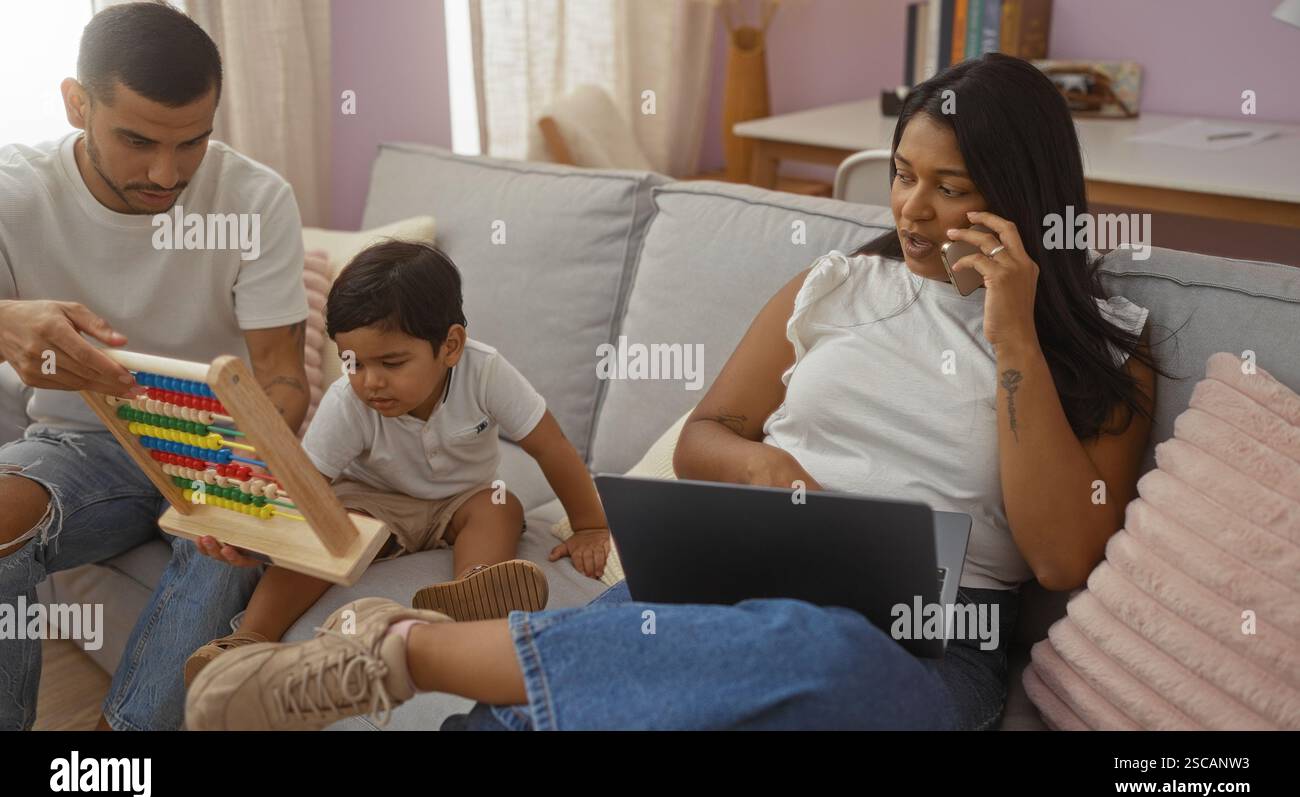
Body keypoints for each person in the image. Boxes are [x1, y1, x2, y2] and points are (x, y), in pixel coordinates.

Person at [185, 52, 1166, 731]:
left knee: (823, 655)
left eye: (950, 187)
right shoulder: (834, 286)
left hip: (927, 650)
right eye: (903, 175)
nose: (910, 209)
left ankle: (402, 652)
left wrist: (1011, 340)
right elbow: (706, 435)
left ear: (1022, 196)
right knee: (692, 643)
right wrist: (768, 466)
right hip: (747, 585)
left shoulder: (1104, 355)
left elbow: (1060, 551)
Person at [0, 2, 310, 731]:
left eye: (193, 142)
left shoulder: (258, 200)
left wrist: (254, 460)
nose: (166, 173)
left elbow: (284, 379)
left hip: (218, 448)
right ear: (78, 104)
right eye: (137, 140)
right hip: (79, 446)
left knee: (233, 550)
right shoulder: (15, 191)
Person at [183, 241, 612, 684]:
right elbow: (304, 491)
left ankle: (476, 589)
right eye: (353, 363)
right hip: (374, 503)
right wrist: (253, 540)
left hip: (460, 501)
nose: (370, 382)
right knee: (328, 532)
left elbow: (551, 445)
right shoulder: (347, 402)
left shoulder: (485, 372)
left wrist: (589, 526)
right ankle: (248, 642)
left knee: (502, 507)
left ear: (450, 346)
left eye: (391, 362)